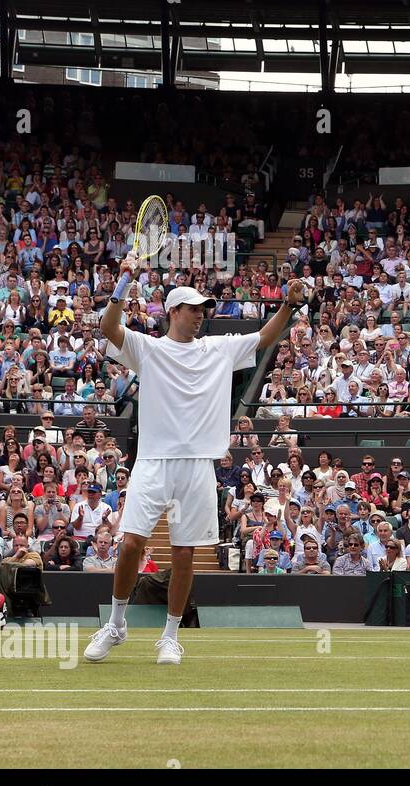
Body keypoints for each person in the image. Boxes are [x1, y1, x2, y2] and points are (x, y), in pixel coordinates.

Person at [85, 259, 304, 667]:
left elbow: (264, 337)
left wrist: (288, 307)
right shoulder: (148, 349)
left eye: (204, 309)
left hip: (197, 466)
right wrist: (125, 280)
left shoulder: (218, 349)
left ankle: (169, 636)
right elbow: (108, 329)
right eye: (194, 308)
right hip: (153, 462)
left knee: (183, 553)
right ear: (172, 312)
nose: (201, 315)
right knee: (131, 543)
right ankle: (116, 625)